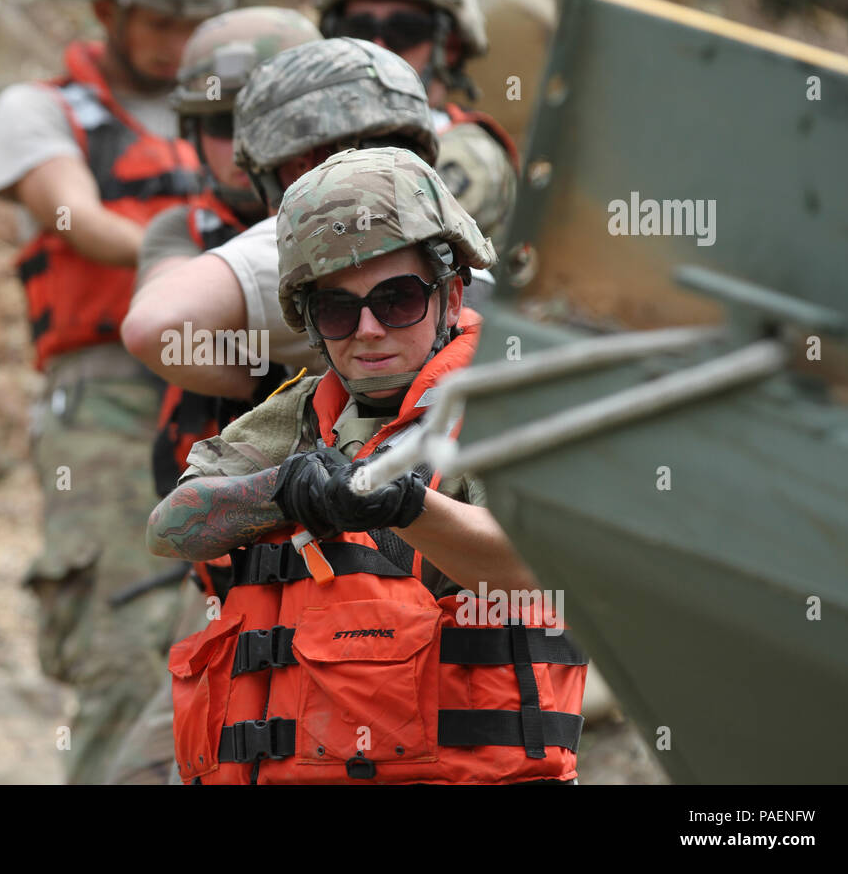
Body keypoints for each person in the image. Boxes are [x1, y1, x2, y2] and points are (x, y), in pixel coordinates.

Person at [147, 147, 588, 784]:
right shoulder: (299, 414)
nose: (370, 329)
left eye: (398, 299)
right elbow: (171, 529)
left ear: (450, 293)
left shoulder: (510, 405)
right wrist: (283, 490)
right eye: (337, 309)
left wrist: (405, 505)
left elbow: (544, 567)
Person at [0, 0, 236, 785]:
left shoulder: (234, 106)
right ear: (107, 8)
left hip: (229, 391)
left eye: (192, 26)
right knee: (126, 655)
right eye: (160, 23)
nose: (177, 46)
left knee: (239, 653)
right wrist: (216, 259)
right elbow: (82, 224)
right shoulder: (41, 110)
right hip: (108, 402)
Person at [103, 6, 323, 785]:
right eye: (220, 124)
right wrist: (275, 369)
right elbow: (165, 329)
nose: (242, 146)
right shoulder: (182, 231)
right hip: (229, 574)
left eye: (256, 121)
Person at [123, 36, 440, 401]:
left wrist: (278, 398)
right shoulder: (451, 232)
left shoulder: (314, 231)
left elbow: (150, 328)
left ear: (301, 163)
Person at [318, 0, 518, 239]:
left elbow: (362, 239)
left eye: (405, 29)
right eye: (357, 28)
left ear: (449, 46)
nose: (378, 44)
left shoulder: (468, 155)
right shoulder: (317, 135)